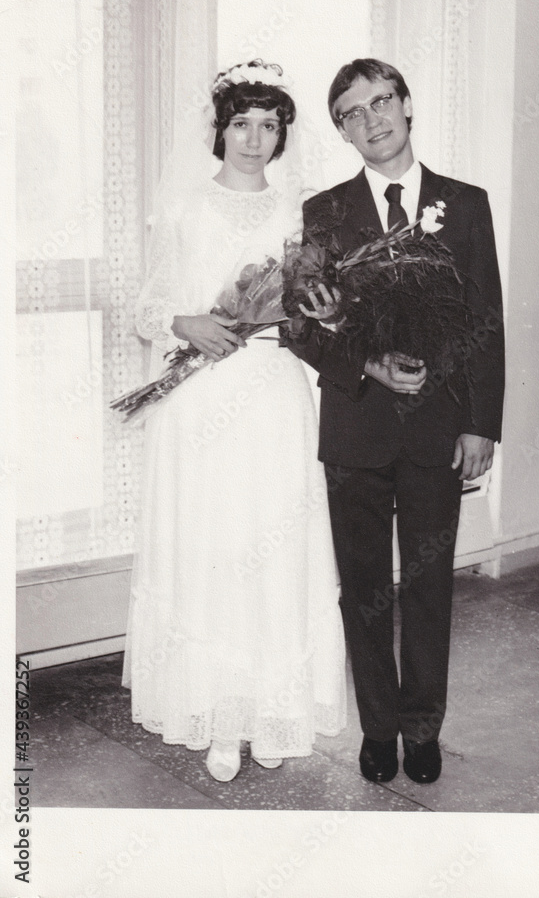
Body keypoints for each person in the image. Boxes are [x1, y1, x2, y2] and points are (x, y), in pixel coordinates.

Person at [122, 60, 346, 783]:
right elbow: (147, 304)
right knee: (212, 550)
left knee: (273, 546)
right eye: (243, 123)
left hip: (273, 393)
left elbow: (317, 302)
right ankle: (218, 717)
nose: (256, 138)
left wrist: (315, 311)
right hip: (201, 400)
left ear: (284, 134)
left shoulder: (300, 210)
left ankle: (271, 712)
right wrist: (188, 322)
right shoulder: (184, 205)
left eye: (270, 125)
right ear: (219, 129)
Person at [284, 58, 504, 785]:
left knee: (431, 582)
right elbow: (305, 325)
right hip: (355, 428)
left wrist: (481, 423)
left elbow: (485, 320)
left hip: (439, 429)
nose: (372, 119)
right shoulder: (325, 212)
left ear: (407, 106)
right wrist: (367, 366)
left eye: (382, 102)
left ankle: (422, 728)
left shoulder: (463, 205)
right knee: (366, 586)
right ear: (342, 130)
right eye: (352, 112)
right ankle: (378, 729)